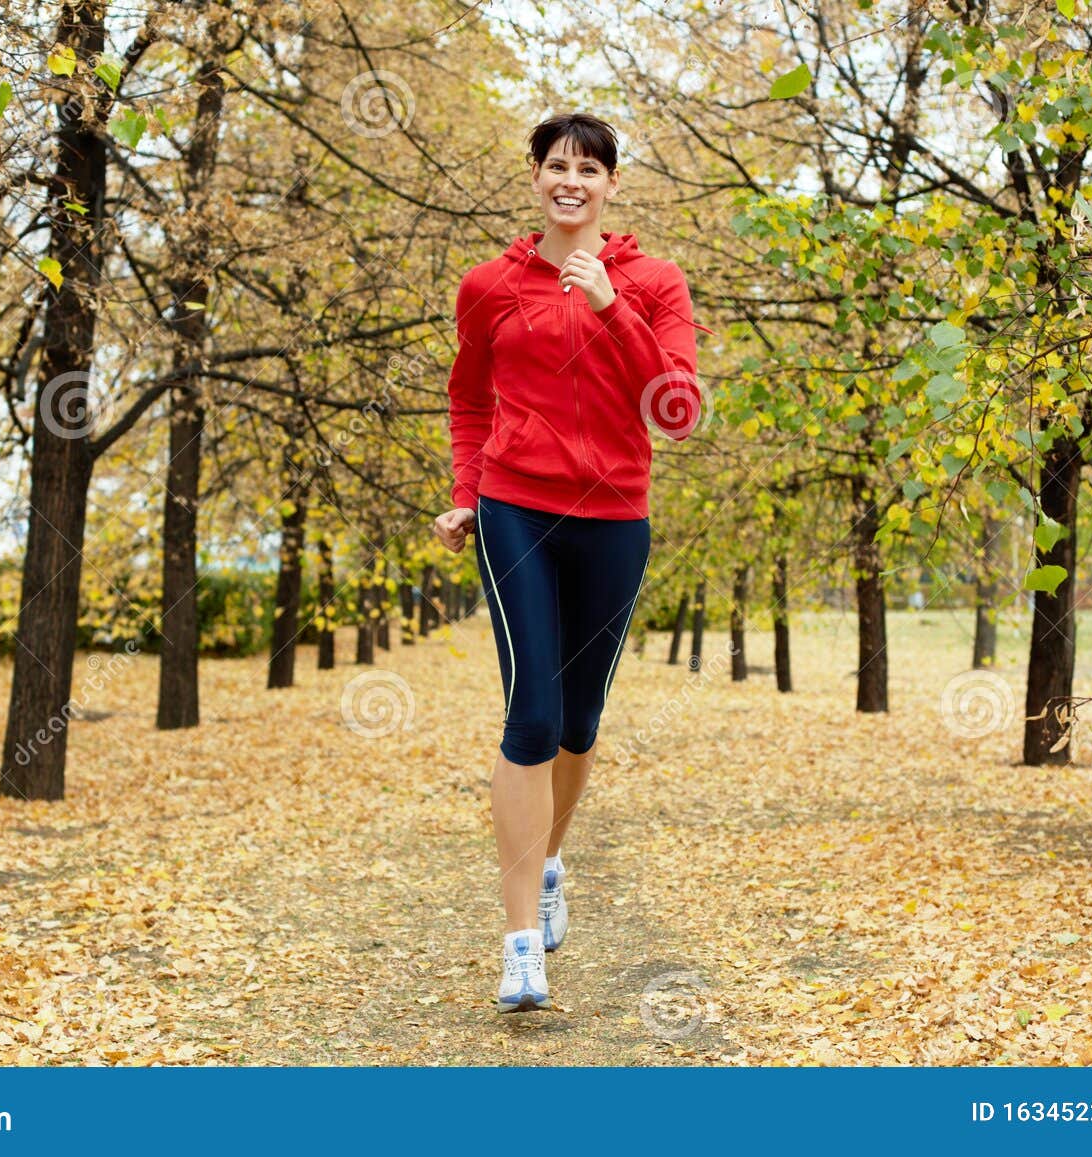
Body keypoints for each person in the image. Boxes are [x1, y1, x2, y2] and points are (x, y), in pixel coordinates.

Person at [431, 112, 715, 1012]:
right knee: (533, 715)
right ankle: (520, 944)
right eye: (557, 165)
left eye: (590, 169)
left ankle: (549, 858)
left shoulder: (655, 282)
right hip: (517, 509)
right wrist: (470, 494)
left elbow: (676, 408)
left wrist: (609, 305)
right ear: (535, 177)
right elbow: (470, 401)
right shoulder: (489, 286)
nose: (572, 181)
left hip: (614, 515)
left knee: (581, 719)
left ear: (611, 186)